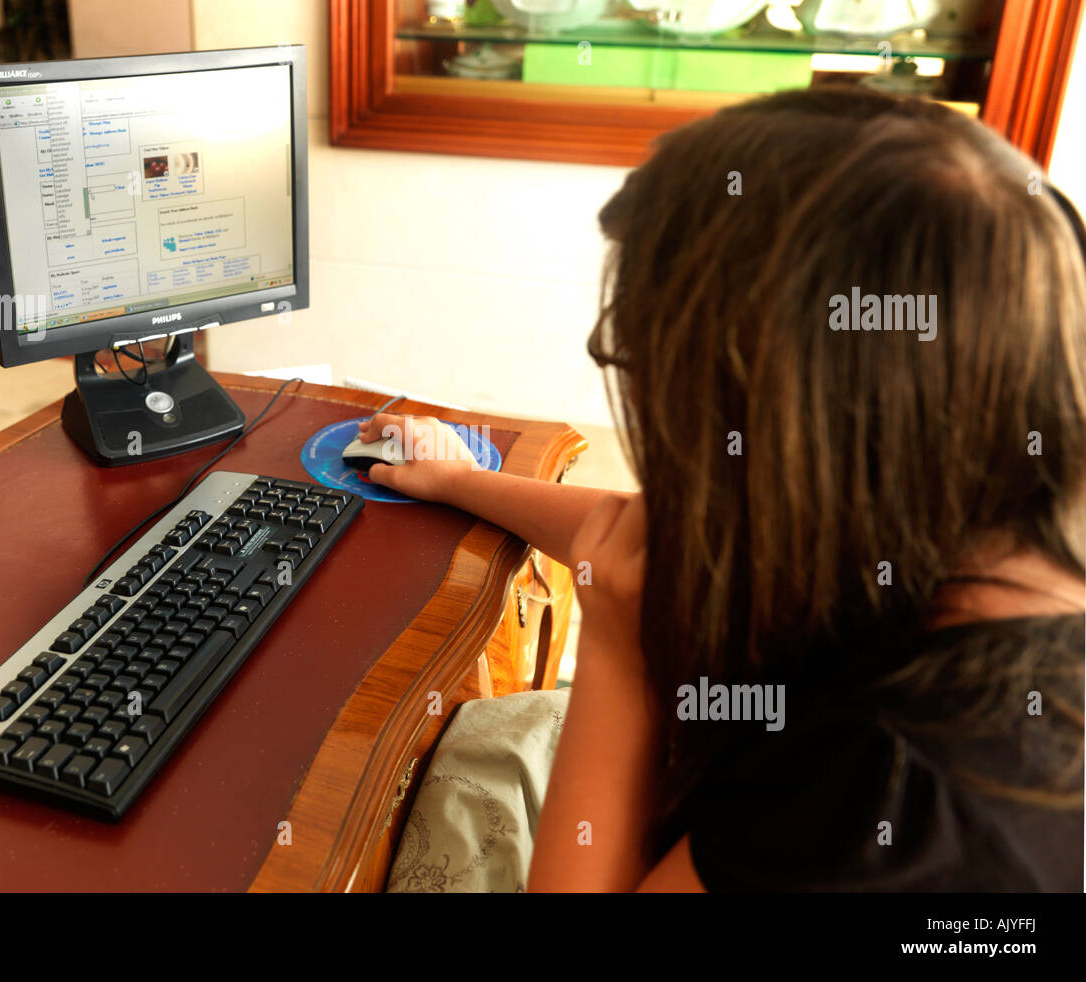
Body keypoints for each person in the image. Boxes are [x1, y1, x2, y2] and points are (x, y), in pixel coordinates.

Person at [362, 86, 1086, 892]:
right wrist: (464, 481)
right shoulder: (997, 536)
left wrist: (614, 653)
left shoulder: (881, 799)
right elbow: (648, 537)